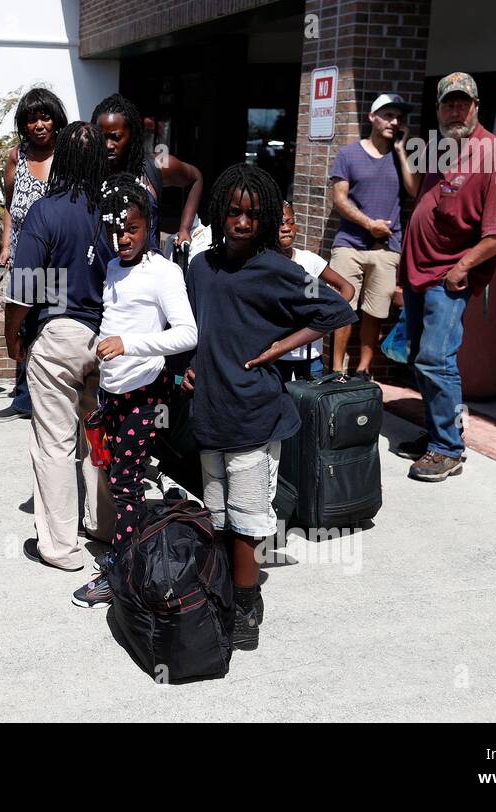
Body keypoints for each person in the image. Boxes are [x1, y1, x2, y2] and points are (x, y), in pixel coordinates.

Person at [182, 164, 356, 650]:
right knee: (217, 513)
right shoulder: (201, 267)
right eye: (233, 212)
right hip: (210, 410)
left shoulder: (281, 270)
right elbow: (198, 328)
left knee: (248, 516)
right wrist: (187, 367)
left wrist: (281, 348)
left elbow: (338, 309)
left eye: (252, 215)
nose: (241, 223)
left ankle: (246, 604)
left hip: (255, 413)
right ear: (219, 212)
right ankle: (223, 588)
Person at [70, 177, 197, 609]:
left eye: (131, 228)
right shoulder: (111, 267)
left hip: (146, 391)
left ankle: (121, 572)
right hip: (113, 391)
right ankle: (134, 553)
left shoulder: (164, 272)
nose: (121, 237)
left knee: (125, 481)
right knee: (118, 477)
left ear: (149, 227)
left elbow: (186, 334)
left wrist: (129, 344)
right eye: (114, 229)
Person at [395, 72, 496, 481]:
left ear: (476, 107)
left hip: (448, 276)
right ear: (438, 109)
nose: (455, 110)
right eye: (448, 103)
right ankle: (437, 432)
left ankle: (448, 448)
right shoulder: (440, 149)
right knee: (420, 358)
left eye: (462, 103)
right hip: (419, 272)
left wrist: (462, 267)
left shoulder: (495, 156)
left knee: (437, 359)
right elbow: (424, 198)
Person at [5, 122, 113, 573]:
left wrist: (14, 340)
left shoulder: (45, 213)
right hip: (109, 338)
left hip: (59, 334)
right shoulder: (116, 213)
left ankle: (60, 548)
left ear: (61, 161)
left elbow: (24, 291)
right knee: (100, 436)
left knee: (54, 442)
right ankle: (104, 526)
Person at [0, 87, 69, 424]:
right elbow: (9, 206)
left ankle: (53, 398)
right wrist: (6, 245)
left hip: (59, 257)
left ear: (56, 120)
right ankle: (23, 399)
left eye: (45, 117)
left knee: (52, 324)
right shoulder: (16, 156)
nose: (39, 124)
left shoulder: (68, 154)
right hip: (25, 254)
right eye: (32, 118)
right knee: (22, 325)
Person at [328, 94, 415, 379]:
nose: (394, 121)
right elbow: (339, 199)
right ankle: (337, 369)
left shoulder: (400, 156)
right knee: (342, 308)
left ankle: (364, 369)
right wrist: (368, 224)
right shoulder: (349, 154)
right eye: (388, 115)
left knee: (376, 312)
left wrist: (401, 151)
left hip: (387, 247)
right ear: (372, 117)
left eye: (399, 117)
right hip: (350, 245)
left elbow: (414, 190)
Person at [92, 94, 203, 252]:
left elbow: (196, 177)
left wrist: (185, 228)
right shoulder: (89, 172)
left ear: (132, 135)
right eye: (102, 137)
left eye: (115, 137)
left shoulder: (156, 166)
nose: (108, 145)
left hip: (147, 271)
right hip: (102, 271)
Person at [276, 200, 354, 381]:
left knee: (310, 406)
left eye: (290, 222)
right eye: (279, 223)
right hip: (276, 355)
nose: (286, 228)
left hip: (311, 356)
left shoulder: (310, 260)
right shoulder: (264, 263)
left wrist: (329, 312)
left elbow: (347, 288)